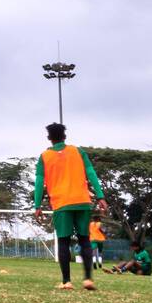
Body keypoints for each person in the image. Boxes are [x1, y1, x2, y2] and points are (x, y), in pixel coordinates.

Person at [33, 123, 107, 291]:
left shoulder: (44, 156)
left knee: (64, 242)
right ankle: (88, 279)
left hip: (62, 204)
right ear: (65, 136)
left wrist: (37, 205)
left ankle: (67, 281)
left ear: (49, 138)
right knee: (85, 240)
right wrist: (100, 196)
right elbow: (91, 173)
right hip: (82, 201)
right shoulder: (78, 151)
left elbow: (39, 182)